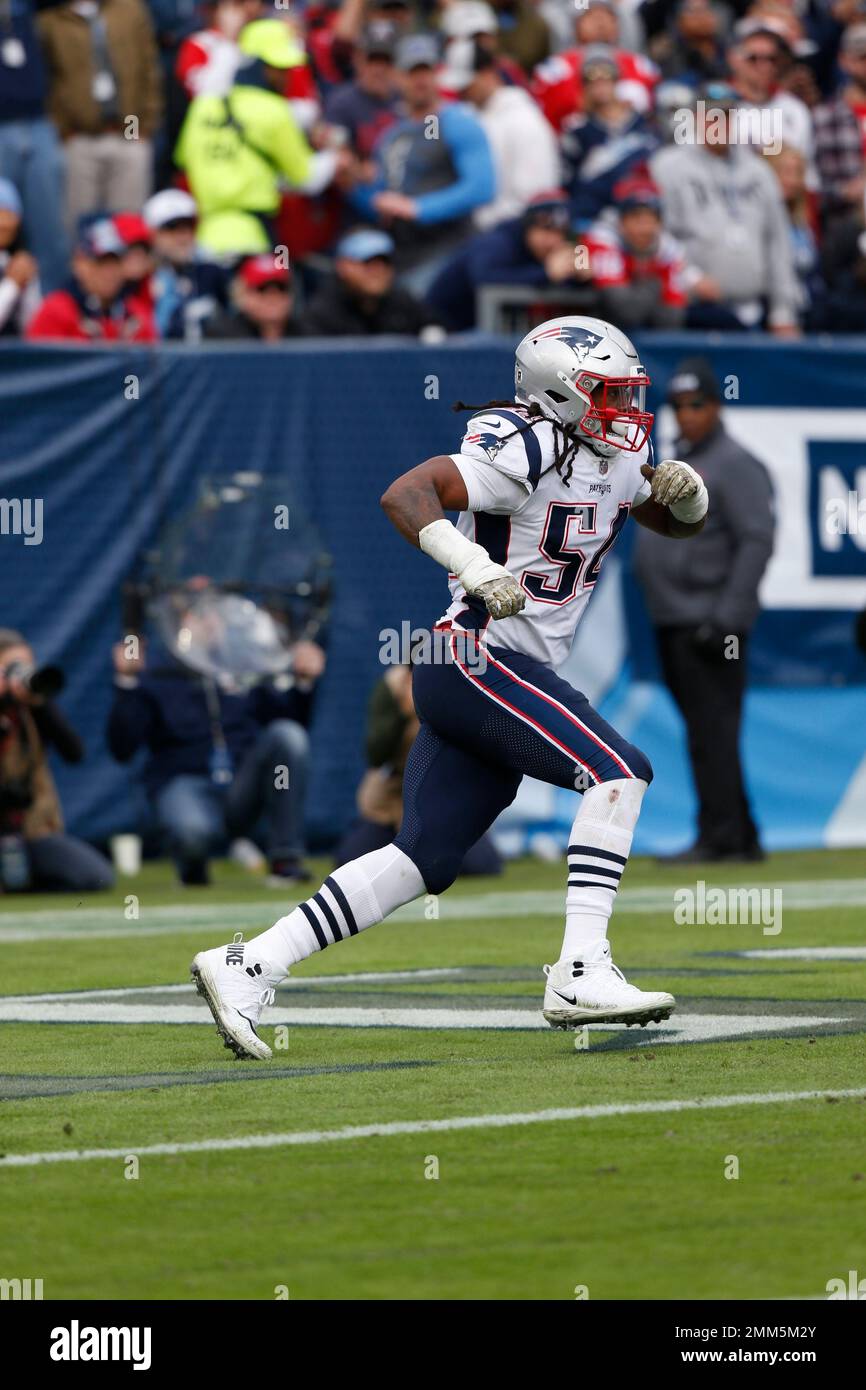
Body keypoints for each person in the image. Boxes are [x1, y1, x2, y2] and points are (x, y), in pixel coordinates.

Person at [190, 314, 711, 1060]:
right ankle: (578, 969)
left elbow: (657, 512)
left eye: (630, 394)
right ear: (559, 395)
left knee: (424, 858)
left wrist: (689, 505)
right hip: (472, 657)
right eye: (608, 394)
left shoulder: (617, 450)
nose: (626, 412)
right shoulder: (525, 440)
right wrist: (472, 564)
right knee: (619, 770)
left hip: (501, 670)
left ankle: (246, 964)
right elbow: (407, 494)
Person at [633, 358, 774, 864]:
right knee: (705, 731)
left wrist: (728, 619)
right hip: (676, 618)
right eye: (678, 406)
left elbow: (756, 541)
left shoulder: (734, 463)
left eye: (697, 404)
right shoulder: (684, 460)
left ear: (716, 405)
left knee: (714, 731)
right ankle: (741, 833)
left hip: (710, 623)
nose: (686, 414)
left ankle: (721, 837)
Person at [107, 630, 326, 885]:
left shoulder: (242, 665)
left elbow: (290, 725)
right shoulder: (156, 670)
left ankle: (285, 861)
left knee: (288, 736)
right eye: (194, 608)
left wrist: (302, 683)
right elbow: (122, 748)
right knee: (191, 833)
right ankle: (192, 866)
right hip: (184, 782)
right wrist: (126, 680)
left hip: (241, 785)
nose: (207, 617)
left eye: (211, 604)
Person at [175, 18, 350, 257]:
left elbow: (185, 161)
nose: (286, 76)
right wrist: (335, 159)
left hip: (206, 237)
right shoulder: (275, 111)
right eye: (278, 68)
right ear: (256, 64)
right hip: (253, 237)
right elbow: (306, 178)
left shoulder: (203, 106)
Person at [351, 32, 495, 297]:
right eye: (412, 72)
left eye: (426, 70)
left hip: (450, 251)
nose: (420, 79)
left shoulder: (457, 120)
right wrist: (355, 185)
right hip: (402, 257)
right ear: (397, 77)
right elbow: (381, 200)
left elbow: (482, 187)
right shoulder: (392, 134)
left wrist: (419, 208)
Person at [650, 81, 802, 333]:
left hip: (756, 313)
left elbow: (778, 243)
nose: (719, 123)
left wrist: (783, 311)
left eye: (727, 115)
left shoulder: (759, 171)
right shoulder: (667, 167)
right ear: (696, 118)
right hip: (694, 310)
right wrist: (690, 277)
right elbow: (656, 235)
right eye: (712, 115)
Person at [334, 662, 502, 875]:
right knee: (350, 857)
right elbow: (375, 755)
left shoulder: (460, 686)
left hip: (445, 793)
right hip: (394, 795)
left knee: (481, 864)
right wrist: (402, 716)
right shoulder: (392, 686)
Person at [0, 629, 114, 893]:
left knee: (94, 877)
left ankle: (22, 882)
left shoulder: (32, 710)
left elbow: (74, 752)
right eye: (13, 668)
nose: (24, 674)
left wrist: (39, 703)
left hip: (28, 831)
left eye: (28, 666)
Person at [37, 0, 162, 231]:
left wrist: (141, 130)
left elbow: (148, 69)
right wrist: (65, 132)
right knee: (80, 224)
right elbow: (47, 82)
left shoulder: (129, 10)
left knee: (129, 222)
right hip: (80, 134)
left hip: (128, 128)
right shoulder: (51, 21)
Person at [428, 188, 594, 331]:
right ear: (528, 226)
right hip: (440, 328)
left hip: (481, 333)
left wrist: (580, 280)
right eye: (545, 230)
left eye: (559, 233)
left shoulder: (550, 252)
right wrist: (545, 273)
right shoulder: (499, 242)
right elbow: (485, 281)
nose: (552, 240)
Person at [438, 36, 560, 230]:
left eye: (467, 84)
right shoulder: (470, 114)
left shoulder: (524, 120)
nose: (461, 92)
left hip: (514, 232)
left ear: (488, 74)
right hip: (476, 230)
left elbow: (536, 194)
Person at [0, 0, 68, 291]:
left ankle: (51, 316)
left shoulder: (23, 10)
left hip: (40, 122)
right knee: (4, 226)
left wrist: (136, 126)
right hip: (2, 126)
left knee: (50, 230)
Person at [560, 46, 659, 227]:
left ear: (616, 80)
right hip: (593, 220)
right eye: (591, 79)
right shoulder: (577, 131)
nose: (599, 83)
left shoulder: (642, 124)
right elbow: (568, 183)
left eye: (606, 75)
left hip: (639, 218)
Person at [25, 218, 156, 341]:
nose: (110, 272)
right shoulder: (57, 312)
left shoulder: (137, 315)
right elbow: (38, 363)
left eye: (116, 262)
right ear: (79, 264)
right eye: (100, 263)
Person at [581, 178, 687, 327]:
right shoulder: (602, 239)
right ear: (621, 222)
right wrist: (654, 283)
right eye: (636, 219)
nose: (644, 229)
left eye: (650, 219)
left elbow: (672, 319)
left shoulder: (669, 249)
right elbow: (624, 311)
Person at [302, 228, 443, 336]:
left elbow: (436, 330)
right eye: (367, 262)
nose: (378, 271)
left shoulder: (404, 303)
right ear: (343, 266)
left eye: (385, 263)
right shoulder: (322, 315)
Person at [143, 188, 229, 340]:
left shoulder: (211, 274)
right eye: (171, 228)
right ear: (152, 233)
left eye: (188, 227)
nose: (182, 237)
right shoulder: (141, 277)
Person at [813, 22, 866, 227]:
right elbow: (812, 185)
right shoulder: (823, 117)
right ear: (844, 61)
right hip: (845, 224)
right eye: (863, 58)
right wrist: (843, 192)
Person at [204, 251, 304, 340]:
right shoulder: (223, 339)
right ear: (242, 294)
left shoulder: (307, 336)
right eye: (262, 289)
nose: (273, 297)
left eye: (281, 288)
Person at [0, 176, 40, 335]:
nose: (3, 223)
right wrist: (12, 284)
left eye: (8, 214)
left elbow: (32, 328)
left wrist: (28, 284)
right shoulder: (13, 274)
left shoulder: (16, 262)